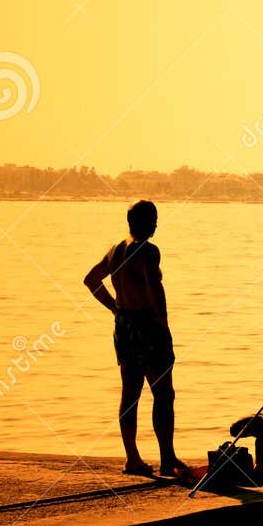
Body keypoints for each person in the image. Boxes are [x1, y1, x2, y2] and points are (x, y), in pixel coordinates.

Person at [83, 200, 187, 478]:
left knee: (130, 394)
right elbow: (154, 289)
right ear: (146, 222)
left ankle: (133, 459)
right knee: (163, 393)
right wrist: (162, 322)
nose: (156, 224)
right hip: (149, 326)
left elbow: (91, 280)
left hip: (125, 326)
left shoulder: (116, 250)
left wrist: (116, 306)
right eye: (153, 220)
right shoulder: (147, 250)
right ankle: (167, 459)